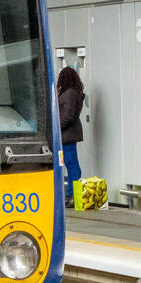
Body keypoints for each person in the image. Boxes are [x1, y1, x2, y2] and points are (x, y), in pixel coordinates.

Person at [58, 66, 86, 207]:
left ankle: (73, 196)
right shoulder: (74, 93)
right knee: (69, 165)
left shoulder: (69, 94)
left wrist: (57, 128)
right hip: (67, 135)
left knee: (71, 165)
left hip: (66, 135)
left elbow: (67, 115)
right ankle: (72, 195)